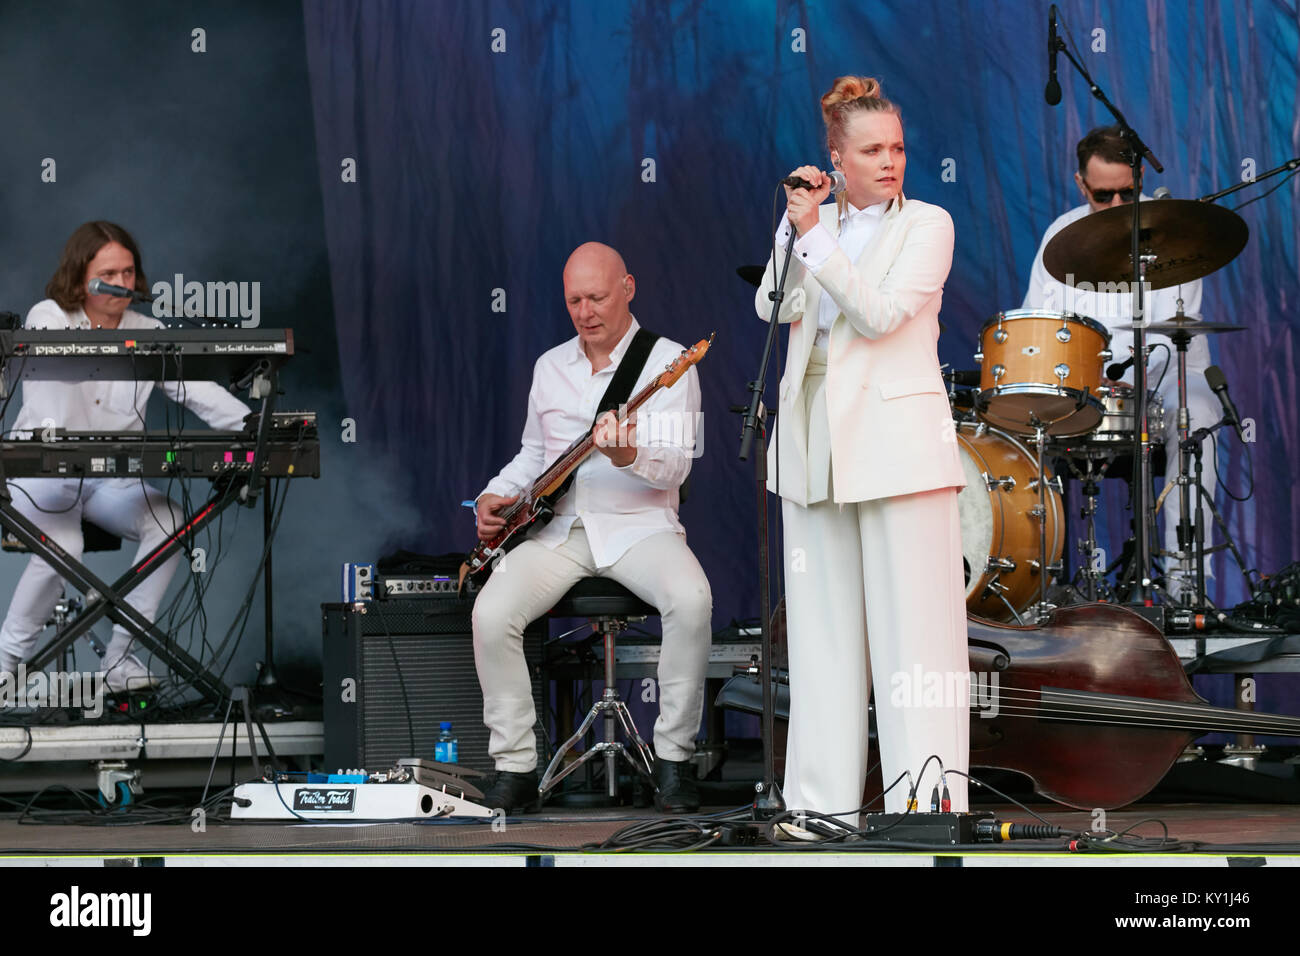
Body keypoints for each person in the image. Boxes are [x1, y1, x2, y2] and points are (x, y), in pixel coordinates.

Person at [755, 76, 969, 830]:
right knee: (820, 641)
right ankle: (819, 806)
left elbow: (878, 317)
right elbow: (770, 307)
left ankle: (927, 802)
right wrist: (795, 226)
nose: (890, 161)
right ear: (835, 157)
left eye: (898, 147)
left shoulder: (928, 225)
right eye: (872, 149)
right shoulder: (817, 225)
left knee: (918, 640)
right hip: (815, 445)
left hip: (899, 451)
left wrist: (814, 237)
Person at [471, 242, 712, 813]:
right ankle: (516, 768)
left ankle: (675, 759)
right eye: (574, 300)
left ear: (628, 287)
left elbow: (679, 463)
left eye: (598, 297)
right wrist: (492, 494)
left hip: (641, 526)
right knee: (490, 613)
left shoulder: (671, 362)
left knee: (693, 601)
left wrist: (629, 455)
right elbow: (535, 455)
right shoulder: (549, 366)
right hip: (559, 533)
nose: (586, 311)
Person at [0, 221, 251, 692]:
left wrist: (255, 428)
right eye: (109, 272)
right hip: (41, 474)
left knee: (171, 521)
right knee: (65, 547)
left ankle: (120, 661)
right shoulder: (48, 316)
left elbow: (197, 391)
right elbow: (69, 363)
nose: (123, 283)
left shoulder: (148, 329)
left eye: (130, 272)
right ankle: (6, 660)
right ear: (79, 278)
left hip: (111, 480)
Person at [1022, 125, 1220, 601]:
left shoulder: (1172, 237)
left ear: (1140, 180)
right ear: (1080, 185)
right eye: (1102, 195)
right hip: (1086, 388)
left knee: (1202, 415)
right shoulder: (1060, 237)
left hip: (1166, 380)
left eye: (1127, 194)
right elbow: (1039, 334)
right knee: (1020, 416)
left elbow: (1179, 339)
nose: (1114, 206)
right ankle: (1035, 587)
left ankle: (1185, 580)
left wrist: (1138, 383)